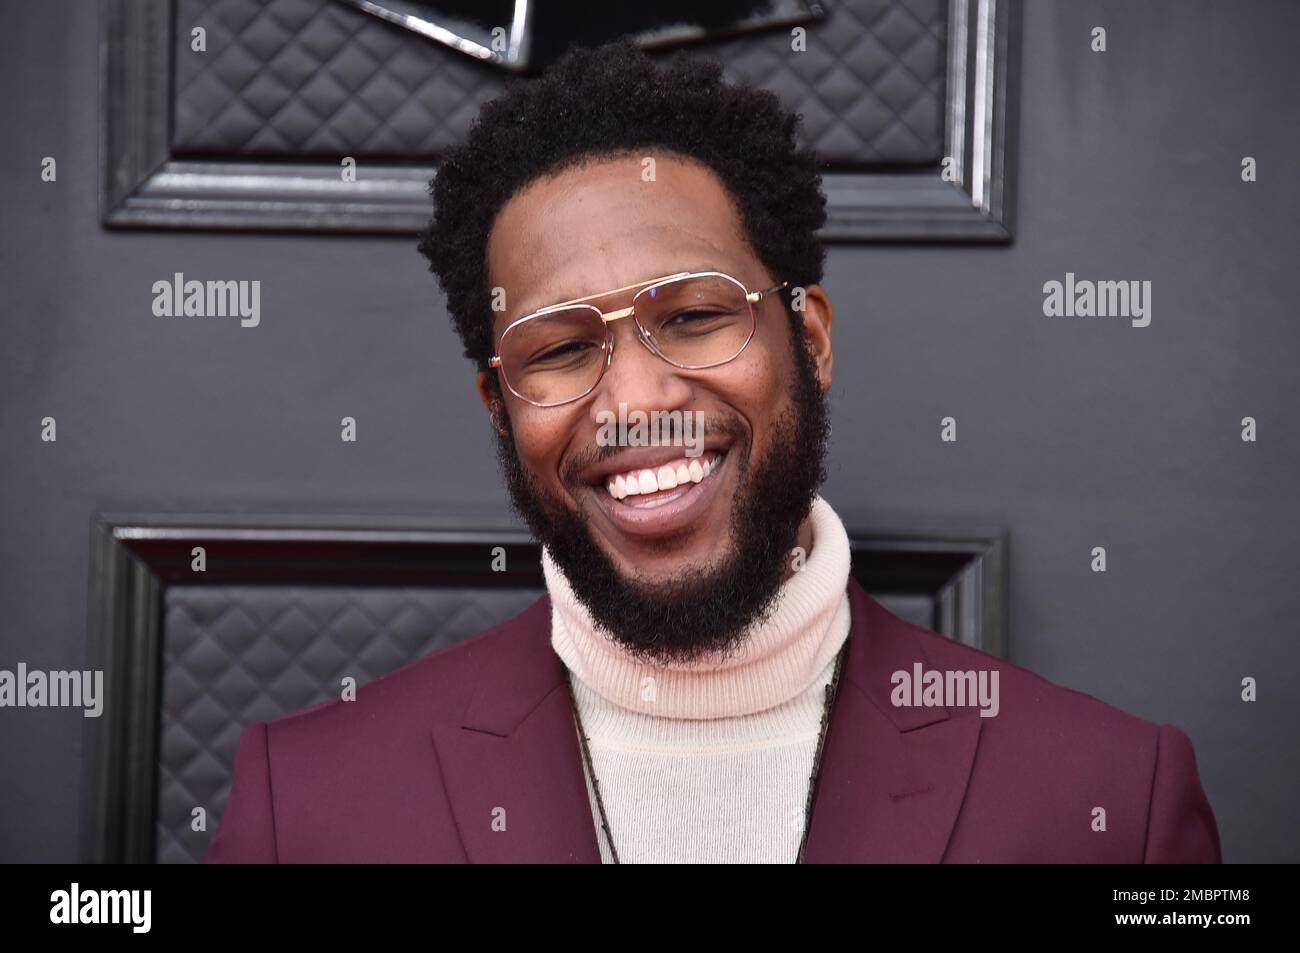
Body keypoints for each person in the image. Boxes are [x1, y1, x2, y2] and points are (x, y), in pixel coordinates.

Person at [207, 38, 1220, 863]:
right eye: (559, 349)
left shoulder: (1105, 800)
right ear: (498, 403)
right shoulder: (309, 807)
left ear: (809, 341)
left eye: (692, 317)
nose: (638, 401)